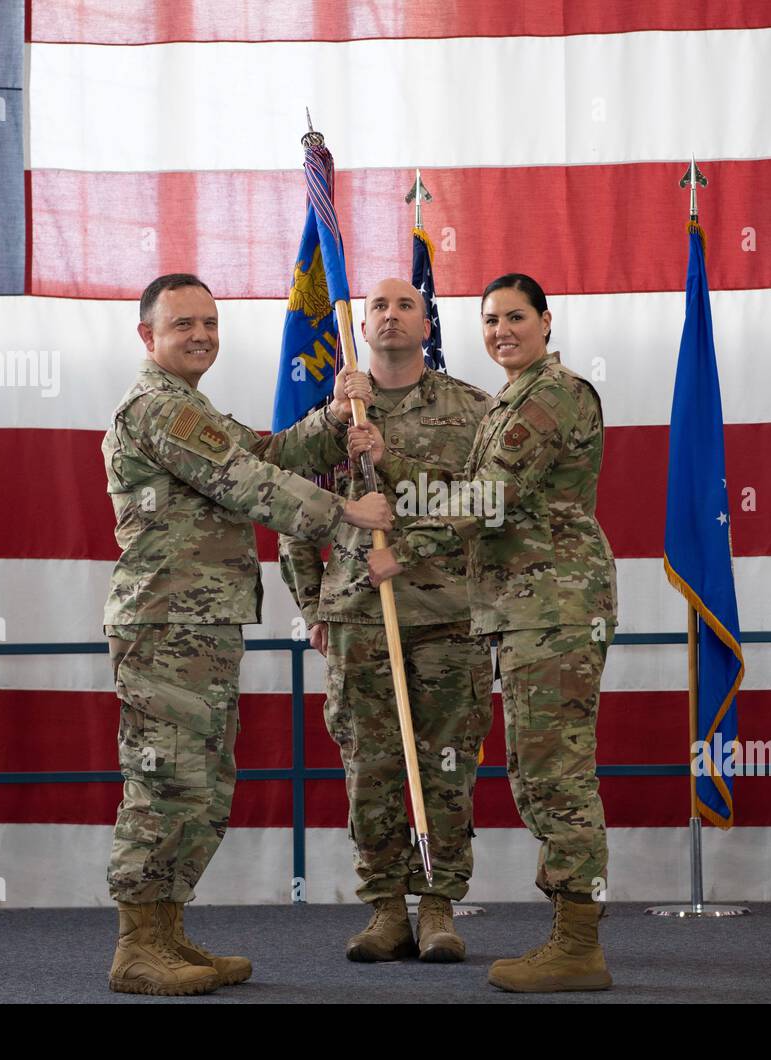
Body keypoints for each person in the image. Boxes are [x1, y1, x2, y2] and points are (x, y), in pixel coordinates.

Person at [101, 273, 392, 995]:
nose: (201, 335)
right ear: (148, 337)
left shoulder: (189, 405)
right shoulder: (158, 408)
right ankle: (137, 944)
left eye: (209, 322)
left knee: (201, 784)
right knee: (165, 779)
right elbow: (243, 480)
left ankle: (165, 930)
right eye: (182, 325)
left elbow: (263, 452)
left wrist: (329, 421)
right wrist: (343, 515)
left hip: (200, 623)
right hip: (165, 626)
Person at [360, 273, 618, 993]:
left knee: (556, 776)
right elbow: (474, 483)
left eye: (515, 317)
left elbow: (487, 498)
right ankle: (570, 936)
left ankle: (577, 946)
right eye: (490, 319)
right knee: (539, 773)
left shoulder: (551, 394)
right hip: (525, 607)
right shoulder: (512, 397)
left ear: (545, 321)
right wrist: (390, 460)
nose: (502, 330)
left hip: (554, 605)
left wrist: (399, 551)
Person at [279, 277, 494, 963]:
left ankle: (437, 906)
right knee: (369, 767)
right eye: (378, 306)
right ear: (361, 327)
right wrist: (313, 603)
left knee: (446, 767)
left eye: (407, 305)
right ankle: (384, 909)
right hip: (359, 619)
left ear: (427, 324)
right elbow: (290, 508)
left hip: (447, 614)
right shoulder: (333, 413)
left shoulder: (472, 410)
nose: (392, 315)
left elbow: (490, 503)